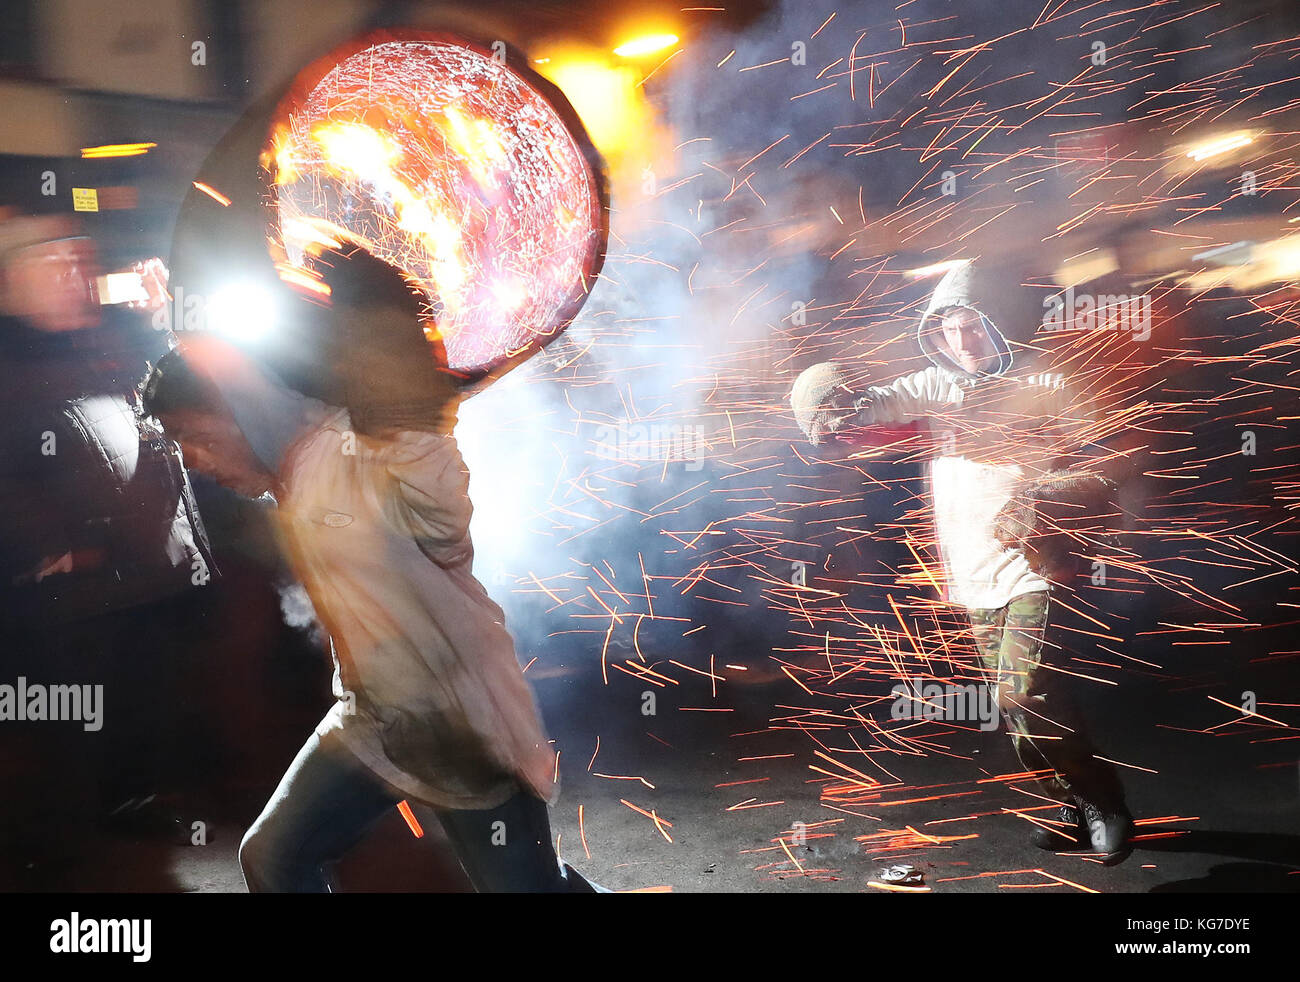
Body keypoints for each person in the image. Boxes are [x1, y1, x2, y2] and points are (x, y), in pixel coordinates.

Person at [139, 246, 604, 892]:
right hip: (374, 720)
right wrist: (181, 319)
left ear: (241, 415)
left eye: (199, 439)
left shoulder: (368, 454)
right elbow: (248, 382)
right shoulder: (290, 468)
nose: (196, 462)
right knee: (272, 859)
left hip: (462, 728)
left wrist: (385, 333)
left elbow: (432, 485)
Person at [791, 259, 1135, 864]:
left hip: (1034, 567)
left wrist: (1046, 494)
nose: (960, 341)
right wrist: (828, 403)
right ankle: (1068, 804)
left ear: (999, 322)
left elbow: (1112, 461)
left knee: (1027, 692)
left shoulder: (1048, 383)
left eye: (971, 326)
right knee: (1011, 707)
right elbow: (863, 410)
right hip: (972, 574)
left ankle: (1102, 800)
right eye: (946, 329)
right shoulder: (931, 385)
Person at [0, 213, 217, 879]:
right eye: (53, 266)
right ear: (10, 282)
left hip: (142, 583)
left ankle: (127, 804)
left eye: (79, 262)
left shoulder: (111, 343)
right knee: (68, 730)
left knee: (138, 707)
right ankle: (51, 850)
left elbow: (185, 402)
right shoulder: (15, 366)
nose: (74, 278)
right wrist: (50, 551)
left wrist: (166, 317)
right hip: (67, 599)